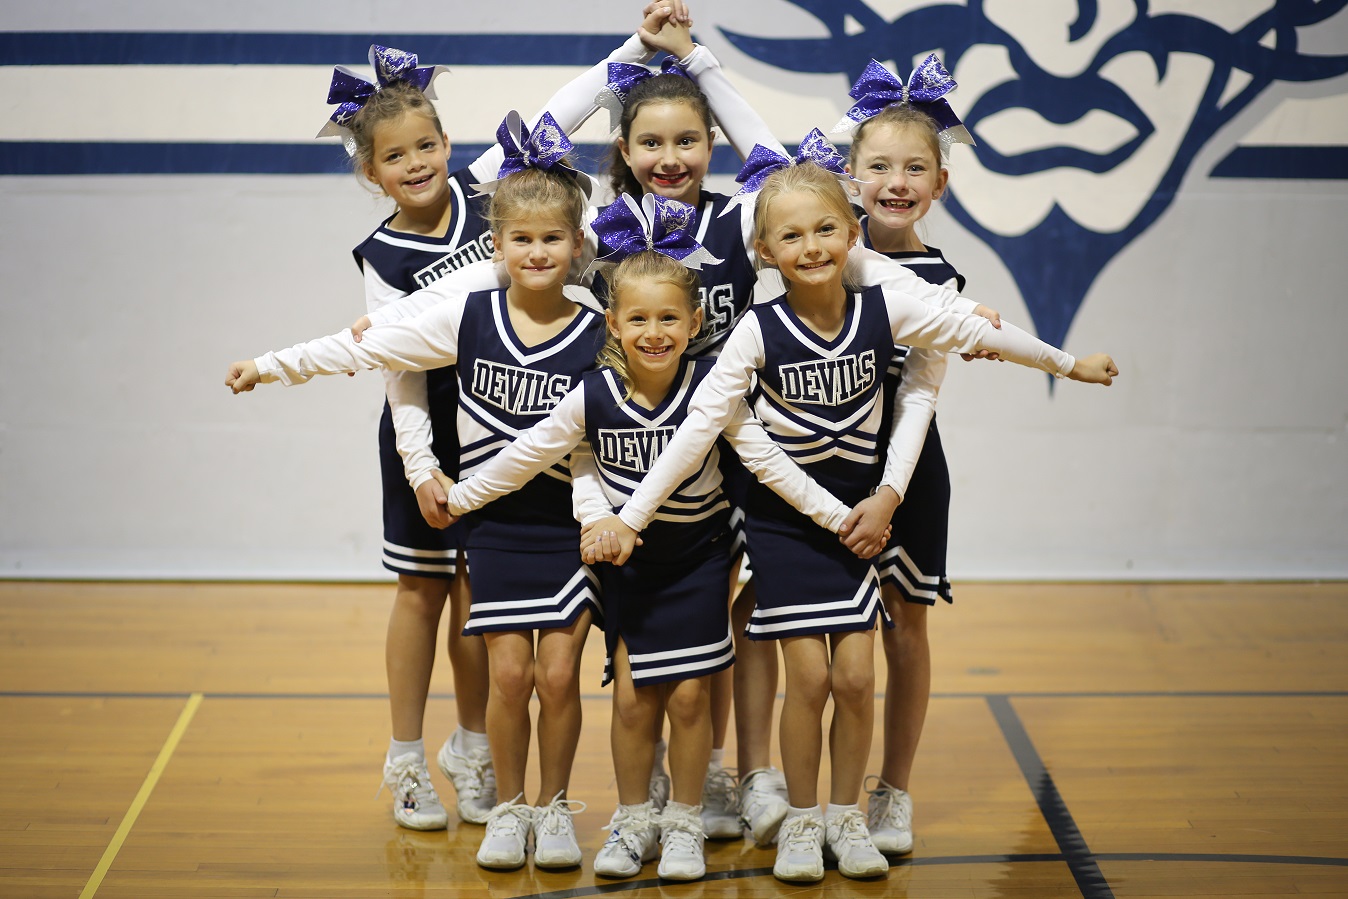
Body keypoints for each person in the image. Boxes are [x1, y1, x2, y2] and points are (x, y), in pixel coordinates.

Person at [584, 158, 1118, 883]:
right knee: (807, 675)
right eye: (791, 236)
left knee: (858, 676)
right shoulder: (755, 331)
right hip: (789, 519)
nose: (811, 247)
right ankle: (802, 819)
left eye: (827, 228)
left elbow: (966, 327)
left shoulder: (885, 310)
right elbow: (698, 431)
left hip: (862, 515)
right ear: (765, 253)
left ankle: (845, 814)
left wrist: (1067, 364)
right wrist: (632, 515)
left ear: (853, 231)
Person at [431, 193, 866, 880]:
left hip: (696, 556)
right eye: (638, 318)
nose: (655, 331)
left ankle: (685, 819)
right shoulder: (595, 391)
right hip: (632, 566)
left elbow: (765, 460)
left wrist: (839, 515)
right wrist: (459, 496)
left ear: (696, 321)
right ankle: (634, 817)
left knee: (692, 696)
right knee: (634, 698)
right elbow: (538, 453)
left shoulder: (713, 388)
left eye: (669, 317)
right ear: (614, 321)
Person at [312, 23, 673, 831]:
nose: (416, 164)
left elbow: (561, 111)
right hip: (430, 438)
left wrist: (637, 48)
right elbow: (398, 368)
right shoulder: (383, 255)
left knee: (484, 600)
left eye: (426, 145)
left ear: (447, 143)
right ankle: (406, 756)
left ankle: (473, 747)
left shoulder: (487, 196)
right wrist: (419, 466)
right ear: (372, 173)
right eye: (396, 156)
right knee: (421, 588)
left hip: (516, 433)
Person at [226, 120, 607, 871]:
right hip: (464, 489)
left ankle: (519, 782)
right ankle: (449, 778)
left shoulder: (586, 316)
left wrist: (635, 55)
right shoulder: (453, 304)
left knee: (548, 669)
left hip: (548, 513)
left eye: (552, 241)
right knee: (455, 622)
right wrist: (269, 365)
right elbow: (367, 349)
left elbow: (604, 435)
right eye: (520, 240)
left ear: (576, 246)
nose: (536, 252)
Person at [837, 54, 977, 856]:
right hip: (818, 468)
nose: (896, 180)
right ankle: (802, 787)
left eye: (914, 167)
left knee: (905, 628)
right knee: (812, 636)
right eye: (878, 165)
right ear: (849, 175)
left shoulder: (942, 280)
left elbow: (922, 397)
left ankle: (894, 788)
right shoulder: (816, 245)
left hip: (908, 471)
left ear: (940, 184)